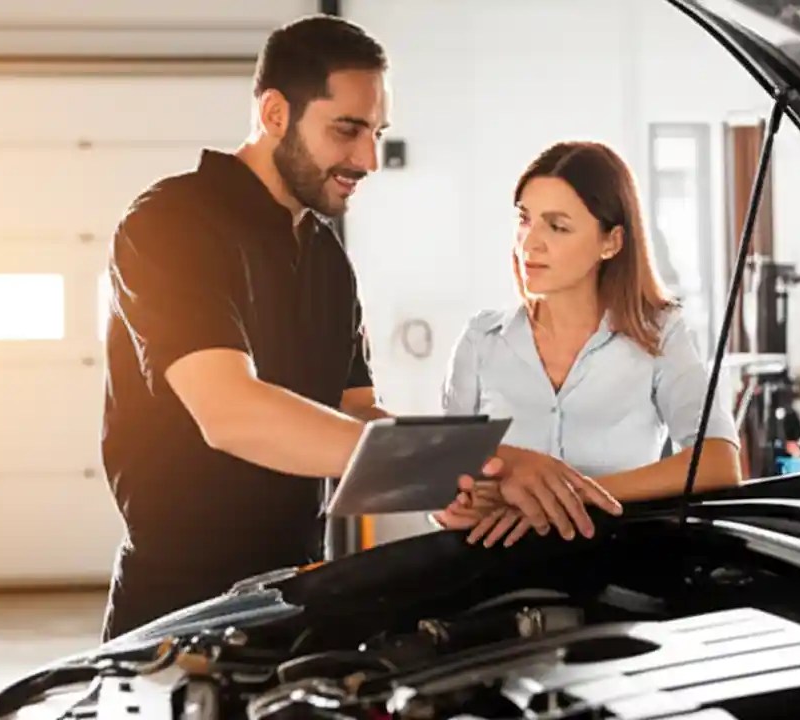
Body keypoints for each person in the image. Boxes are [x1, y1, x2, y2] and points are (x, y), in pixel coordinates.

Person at [100, 17, 617, 641]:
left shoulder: (325, 257)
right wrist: (475, 454)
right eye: (347, 130)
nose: (368, 159)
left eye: (377, 133)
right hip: (176, 610)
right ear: (273, 113)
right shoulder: (171, 224)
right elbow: (229, 412)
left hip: (296, 594)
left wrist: (449, 483)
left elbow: (358, 412)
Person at [435, 141, 742, 547]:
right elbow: (440, 481)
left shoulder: (660, 334)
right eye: (525, 219)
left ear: (611, 242)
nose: (529, 243)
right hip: (492, 580)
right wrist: (455, 504)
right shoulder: (481, 339)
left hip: (618, 571)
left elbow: (718, 463)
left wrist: (569, 493)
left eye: (557, 226)